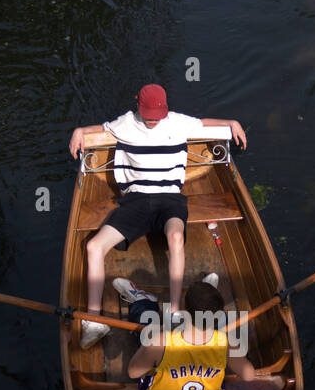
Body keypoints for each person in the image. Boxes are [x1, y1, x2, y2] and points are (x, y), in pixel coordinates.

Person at [68, 83, 247, 347]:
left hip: (170, 199)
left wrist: (232, 122)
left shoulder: (178, 122)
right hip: (136, 200)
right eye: (149, 117)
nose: (153, 123)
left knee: (175, 236)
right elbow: (101, 129)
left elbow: (204, 123)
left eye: (157, 117)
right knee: (94, 246)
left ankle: (175, 311)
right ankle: (95, 321)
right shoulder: (125, 123)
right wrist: (78, 131)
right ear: (138, 106)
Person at [113, 274, 285, 390]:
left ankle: (141, 300)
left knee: (146, 320)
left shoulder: (160, 341)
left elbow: (133, 373)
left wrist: (147, 343)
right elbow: (248, 375)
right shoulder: (224, 342)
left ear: (183, 311)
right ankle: (208, 295)